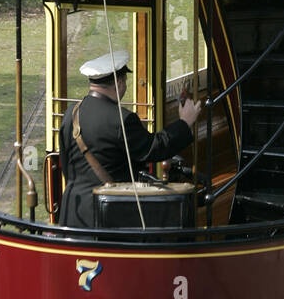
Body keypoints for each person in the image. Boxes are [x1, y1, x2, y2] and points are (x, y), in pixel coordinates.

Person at [59, 50, 202, 228]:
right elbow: (154, 148)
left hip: (73, 212)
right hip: (108, 217)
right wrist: (185, 122)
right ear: (119, 83)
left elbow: (65, 164)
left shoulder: (71, 114)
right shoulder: (122, 119)